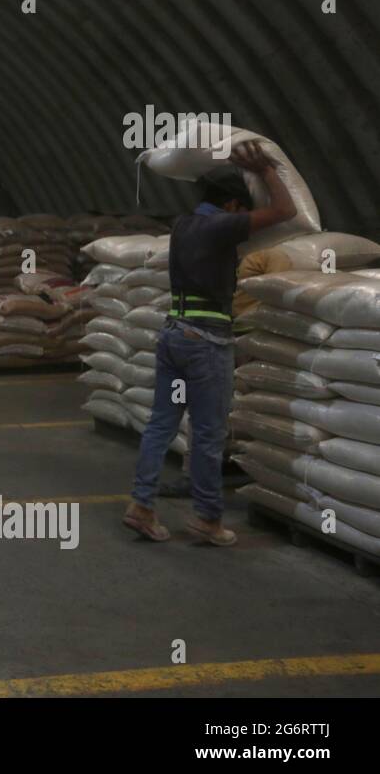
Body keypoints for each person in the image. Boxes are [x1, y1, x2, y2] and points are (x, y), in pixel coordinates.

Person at [123, 142, 296, 546]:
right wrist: (268, 170)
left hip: (173, 335)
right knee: (208, 434)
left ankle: (142, 506)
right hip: (206, 341)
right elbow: (286, 212)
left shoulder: (182, 225)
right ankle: (207, 518)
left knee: (161, 424)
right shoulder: (223, 226)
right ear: (234, 205)